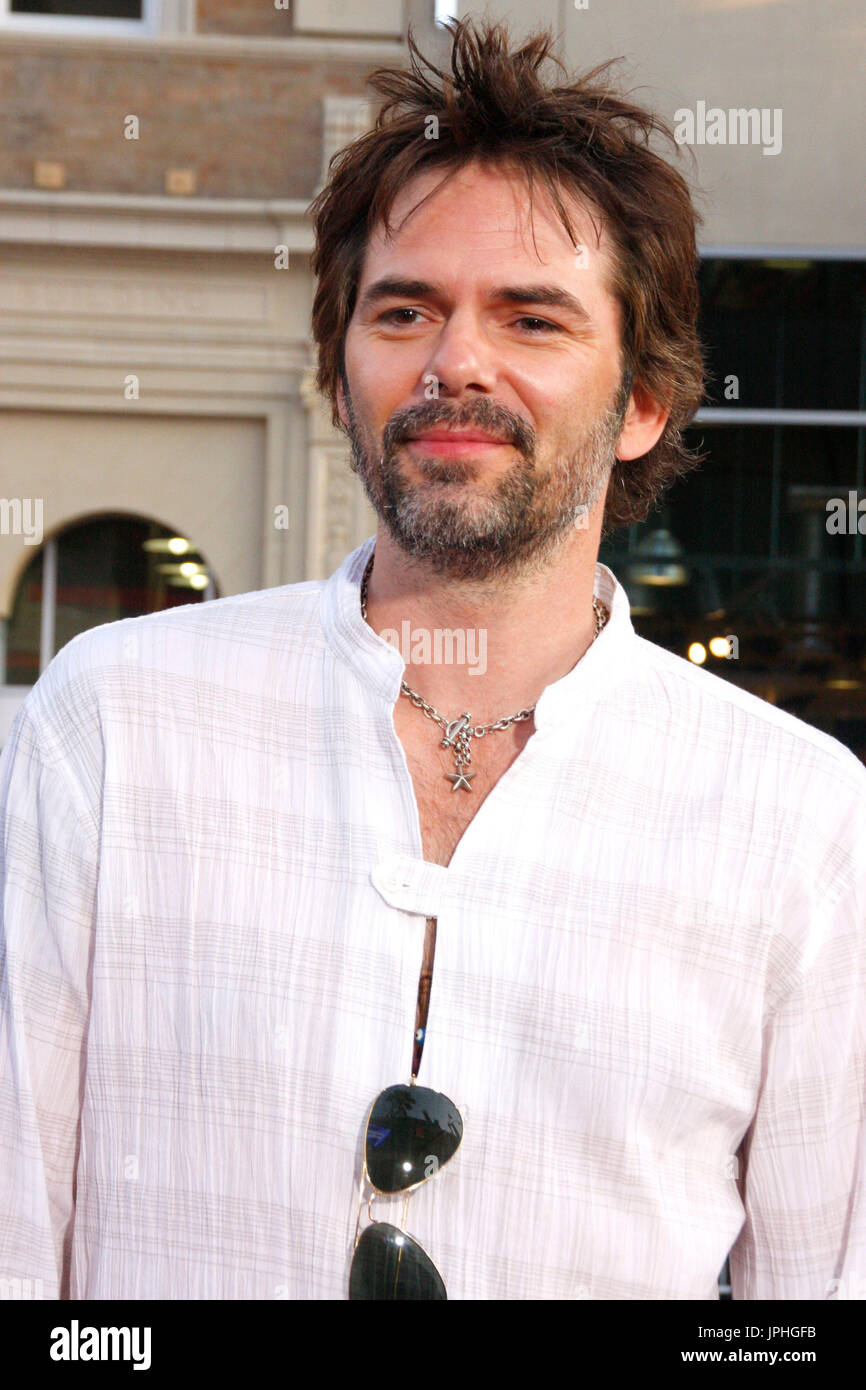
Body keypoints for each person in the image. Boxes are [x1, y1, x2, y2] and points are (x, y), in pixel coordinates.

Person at [1, 17, 864, 1301]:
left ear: (640, 404)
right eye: (403, 309)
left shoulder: (797, 819)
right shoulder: (117, 722)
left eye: (531, 318)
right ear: (340, 371)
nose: (456, 361)